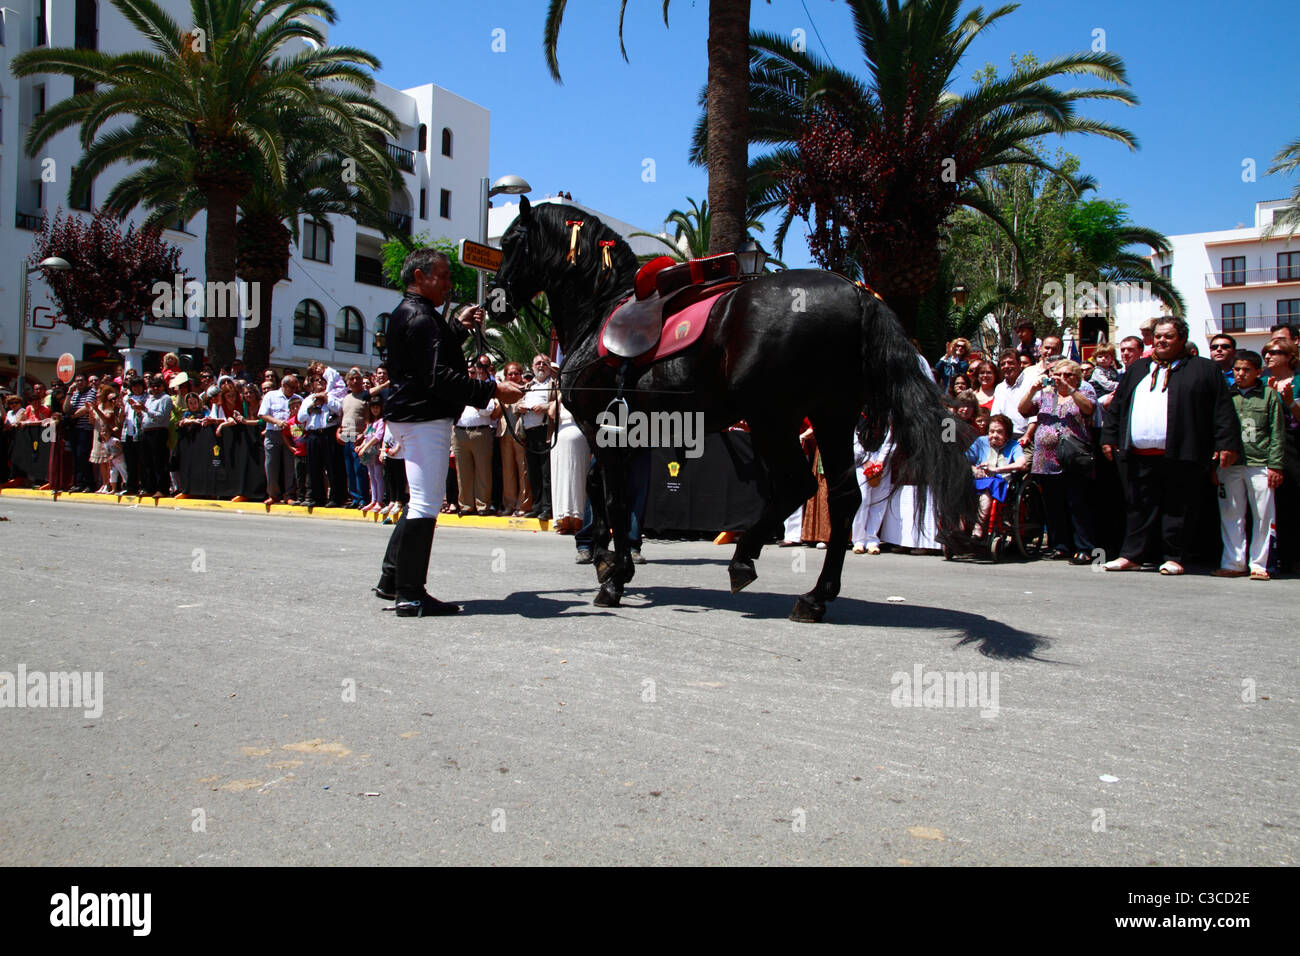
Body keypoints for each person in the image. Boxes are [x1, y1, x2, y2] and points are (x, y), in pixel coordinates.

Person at [371, 248, 523, 617]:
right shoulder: (421, 318)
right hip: (424, 420)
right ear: (420, 278)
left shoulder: (411, 314)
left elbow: (427, 362)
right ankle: (410, 594)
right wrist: (492, 390)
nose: (449, 284)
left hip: (412, 418)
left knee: (419, 501)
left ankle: (393, 579)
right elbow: (439, 378)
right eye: (442, 276)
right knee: (425, 503)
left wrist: (455, 326)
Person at [1101, 317, 1241, 575]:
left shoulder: (1204, 369)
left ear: (1182, 339)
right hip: (1139, 454)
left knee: (1178, 507)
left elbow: (1222, 409)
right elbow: (1117, 406)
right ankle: (1131, 555)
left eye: (1169, 336)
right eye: (1158, 336)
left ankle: (1174, 557)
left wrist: (1226, 444)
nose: (1162, 340)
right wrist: (1109, 438)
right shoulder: (1137, 368)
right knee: (1137, 507)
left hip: (1183, 453)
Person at [1213, 350, 1283, 580]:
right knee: (1231, 513)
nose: (1241, 374)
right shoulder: (1226, 395)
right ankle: (1233, 562)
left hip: (1260, 462)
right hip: (1230, 463)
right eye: (1237, 369)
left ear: (1258, 372)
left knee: (1263, 515)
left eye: (1247, 370)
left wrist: (1275, 465)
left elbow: (1277, 432)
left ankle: (1260, 564)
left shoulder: (1269, 395)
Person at [1020, 358, 1097, 563]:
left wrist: (1070, 390)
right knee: (1054, 504)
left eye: (1068, 375)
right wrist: (1032, 390)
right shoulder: (1047, 395)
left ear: (1077, 377)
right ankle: (1061, 545)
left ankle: (1084, 547)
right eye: (1058, 375)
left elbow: (1089, 409)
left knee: (1077, 503)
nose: (1062, 379)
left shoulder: (1084, 390)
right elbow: (1023, 409)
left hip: (1072, 455)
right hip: (1046, 458)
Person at [1263, 337, 1300, 573]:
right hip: (1270, 448)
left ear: (1289, 356)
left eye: (1274, 352)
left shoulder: (1298, 382)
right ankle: (1277, 556)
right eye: (1266, 352)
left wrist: (1290, 403)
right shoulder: (1264, 383)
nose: (1268, 356)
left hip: (1295, 447)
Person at [965, 414, 1028, 539]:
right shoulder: (981, 441)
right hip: (978, 478)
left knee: (986, 493)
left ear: (1007, 435)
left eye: (999, 432)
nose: (994, 435)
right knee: (960, 488)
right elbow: (963, 459)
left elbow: (1022, 464)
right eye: (992, 431)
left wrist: (996, 469)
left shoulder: (1013, 445)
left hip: (1000, 482)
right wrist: (973, 469)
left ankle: (978, 528)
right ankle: (959, 528)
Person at [451, 362, 501, 515]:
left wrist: (473, 399)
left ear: (478, 373)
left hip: (480, 433)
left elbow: (488, 411)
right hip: (459, 433)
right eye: (467, 372)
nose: (470, 375)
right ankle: (466, 505)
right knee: (463, 471)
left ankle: (482, 505)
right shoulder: (456, 390)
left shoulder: (482, 388)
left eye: (473, 372)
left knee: (483, 471)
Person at [516, 354, 555, 520]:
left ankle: (548, 508)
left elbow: (558, 403)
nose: (541, 366)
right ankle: (537, 506)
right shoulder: (528, 386)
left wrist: (544, 407)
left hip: (544, 432)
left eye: (544, 363)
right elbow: (516, 405)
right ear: (532, 367)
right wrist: (520, 407)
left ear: (549, 367)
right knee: (533, 472)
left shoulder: (554, 384)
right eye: (538, 363)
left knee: (546, 472)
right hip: (529, 432)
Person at [498, 362, 532, 516]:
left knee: (522, 470)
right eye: (510, 374)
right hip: (505, 434)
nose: (513, 376)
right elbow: (494, 414)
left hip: (520, 434)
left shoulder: (527, 390)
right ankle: (509, 504)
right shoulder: (502, 392)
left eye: (516, 373)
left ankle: (523, 505)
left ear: (521, 375)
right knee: (508, 471)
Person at [258, 373, 299, 505]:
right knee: (271, 465)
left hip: (290, 435)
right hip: (273, 433)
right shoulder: (271, 396)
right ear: (284, 385)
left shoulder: (298, 399)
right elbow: (262, 414)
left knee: (290, 466)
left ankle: (289, 495)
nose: (293, 390)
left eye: (295, 387)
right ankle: (273, 494)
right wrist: (277, 421)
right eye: (291, 387)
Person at [338, 368, 371, 509]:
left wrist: (363, 435)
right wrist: (338, 432)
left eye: (358, 378)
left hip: (359, 435)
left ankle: (364, 498)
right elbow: (343, 418)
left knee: (360, 469)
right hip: (347, 435)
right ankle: (355, 498)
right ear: (348, 382)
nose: (355, 381)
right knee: (349, 469)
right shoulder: (345, 398)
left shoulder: (365, 397)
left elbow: (370, 420)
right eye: (352, 379)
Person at [138, 375, 174, 497]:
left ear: (163, 386)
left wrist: (146, 409)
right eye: (152, 386)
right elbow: (145, 415)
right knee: (147, 462)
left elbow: (161, 416)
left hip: (158, 431)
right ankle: (150, 488)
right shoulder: (149, 398)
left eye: (158, 386)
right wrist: (140, 411)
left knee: (159, 461)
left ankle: (162, 488)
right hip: (146, 431)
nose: (155, 388)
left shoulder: (166, 398)